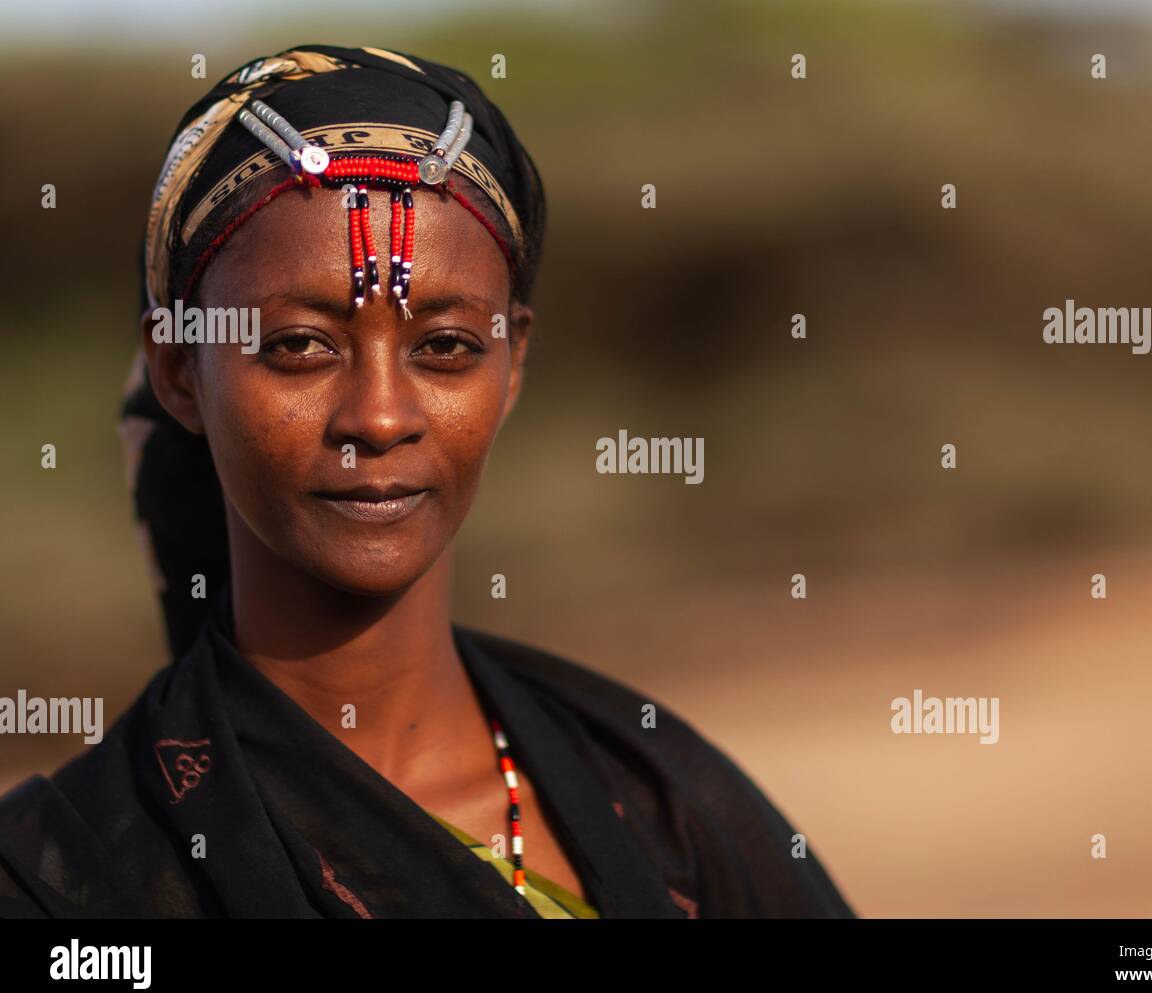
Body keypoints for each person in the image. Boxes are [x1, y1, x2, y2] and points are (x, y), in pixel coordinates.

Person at [0, 44, 855, 919]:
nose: (377, 417)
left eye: (445, 347)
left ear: (513, 362)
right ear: (183, 369)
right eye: (300, 345)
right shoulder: (71, 877)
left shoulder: (667, 805)